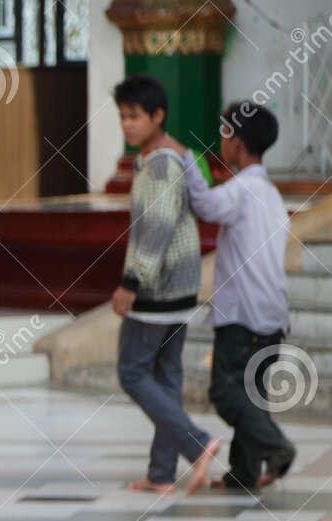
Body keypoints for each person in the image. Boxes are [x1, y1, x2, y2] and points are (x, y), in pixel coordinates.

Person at [157, 104, 296, 491]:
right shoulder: (268, 193)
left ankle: (276, 446)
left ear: (237, 143)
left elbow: (205, 205)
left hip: (243, 314)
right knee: (254, 394)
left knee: (225, 392)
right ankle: (244, 473)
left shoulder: (242, 191)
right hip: (272, 313)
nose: (221, 141)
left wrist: (186, 161)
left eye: (224, 133)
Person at [110, 74, 219, 495]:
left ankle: (198, 444)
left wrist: (131, 282)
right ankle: (160, 474)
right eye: (122, 116)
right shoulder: (172, 158)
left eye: (135, 116)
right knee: (167, 375)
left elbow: (155, 228)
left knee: (133, 371)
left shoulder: (158, 164)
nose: (127, 125)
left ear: (158, 116)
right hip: (182, 286)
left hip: (157, 287)